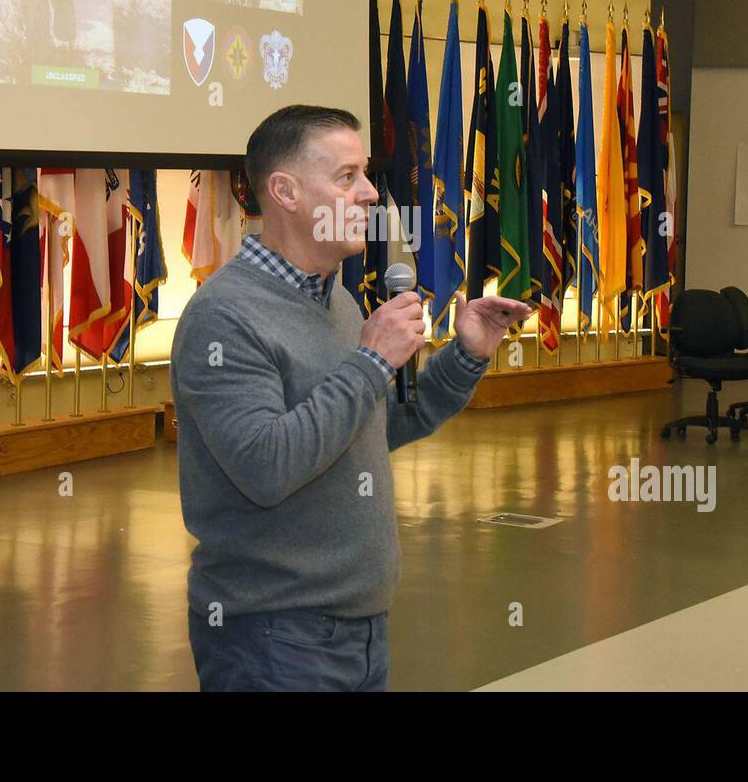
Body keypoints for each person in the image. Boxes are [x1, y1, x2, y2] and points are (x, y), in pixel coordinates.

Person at [171, 105, 531, 691]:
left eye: (365, 175)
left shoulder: (335, 301)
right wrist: (371, 361)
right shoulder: (224, 318)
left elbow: (368, 425)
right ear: (284, 191)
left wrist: (464, 357)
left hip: (359, 627)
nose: (369, 194)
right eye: (346, 178)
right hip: (272, 635)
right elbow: (266, 467)